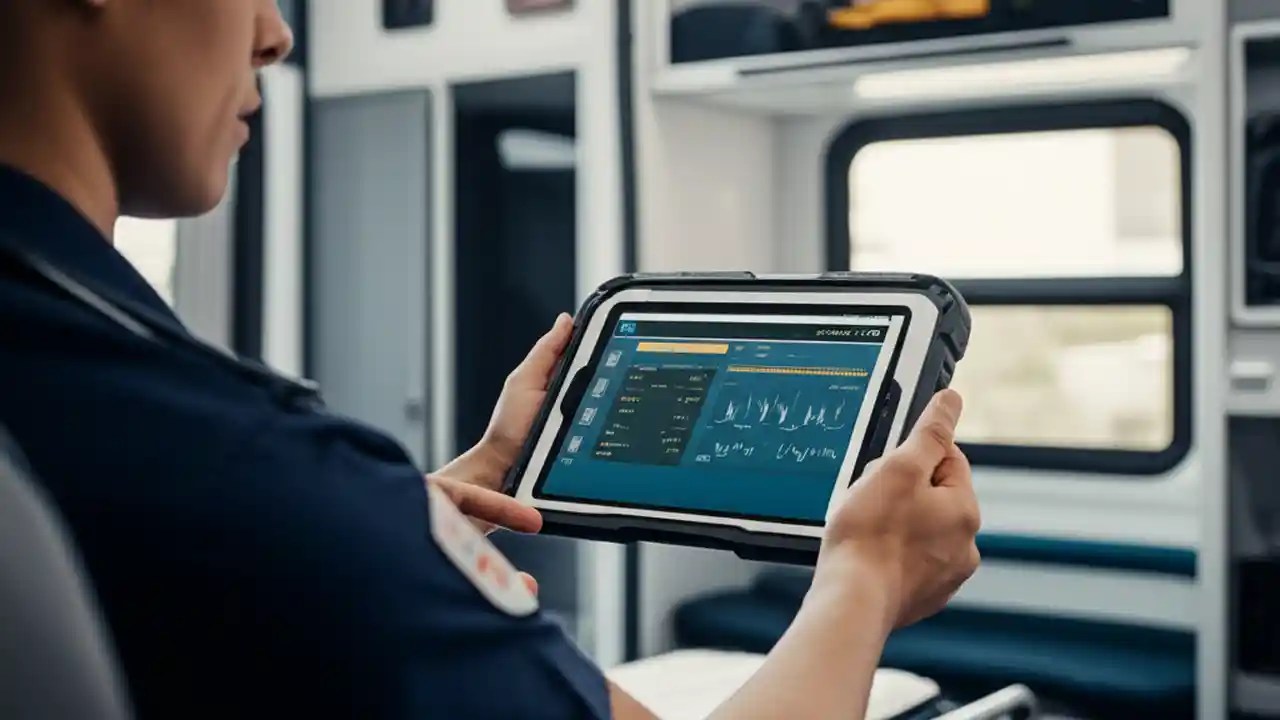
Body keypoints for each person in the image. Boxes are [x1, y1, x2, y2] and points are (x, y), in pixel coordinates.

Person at [0, 1, 981, 718]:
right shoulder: (237, 471)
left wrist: (389, 534)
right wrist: (864, 580)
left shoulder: (79, 388)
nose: (275, 32)